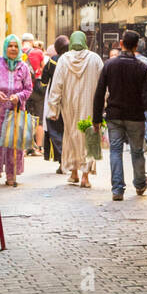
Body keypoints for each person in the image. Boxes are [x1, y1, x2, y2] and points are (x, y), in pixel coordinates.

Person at [92, 29, 147, 201]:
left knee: (115, 151)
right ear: (136, 46)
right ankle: (139, 184)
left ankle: (117, 189)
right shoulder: (142, 68)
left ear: (121, 44)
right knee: (137, 151)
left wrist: (96, 118)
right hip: (135, 116)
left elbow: (99, 92)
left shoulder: (109, 65)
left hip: (114, 115)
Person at [46, 31, 103, 188]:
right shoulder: (95, 59)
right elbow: (103, 85)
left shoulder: (64, 59)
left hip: (70, 107)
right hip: (90, 106)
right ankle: (85, 176)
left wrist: (53, 109)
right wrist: (103, 104)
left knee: (71, 136)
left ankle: (74, 172)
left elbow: (56, 86)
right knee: (89, 137)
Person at [0, 35, 33, 187]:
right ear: (5, 48)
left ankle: (11, 174)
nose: (13, 49)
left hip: (16, 111)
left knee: (13, 143)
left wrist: (19, 96)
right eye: (10, 46)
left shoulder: (24, 67)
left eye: (16, 46)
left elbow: (28, 89)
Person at [42, 35, 68, 167]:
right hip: (70, 97)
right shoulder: (71, 59)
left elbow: (44, 80)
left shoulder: (53, 60)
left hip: (54, 96)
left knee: (53, 127)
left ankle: (61, 156)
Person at [24, 38, 49, 156]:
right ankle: (39, 147)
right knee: (39, 119)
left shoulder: (23, 54)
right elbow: (44, 68)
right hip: (38, 90)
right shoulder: (39, 53)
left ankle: (27, 147)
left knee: (27, 118)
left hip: (27, 88)